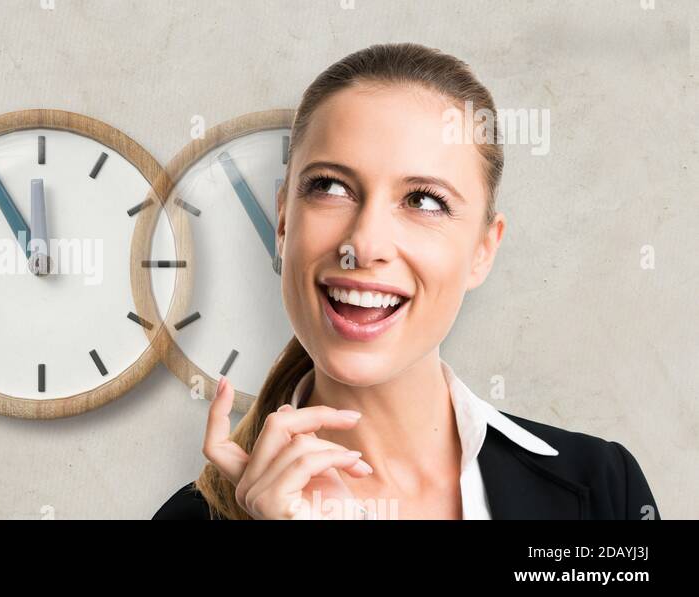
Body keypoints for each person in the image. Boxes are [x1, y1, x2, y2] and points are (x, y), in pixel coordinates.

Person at [153, 43, 657, 520]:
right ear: (284, 221)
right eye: (331, 187)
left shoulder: (604, 489)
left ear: (484, 249)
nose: (364, 244)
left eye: (423, 201)